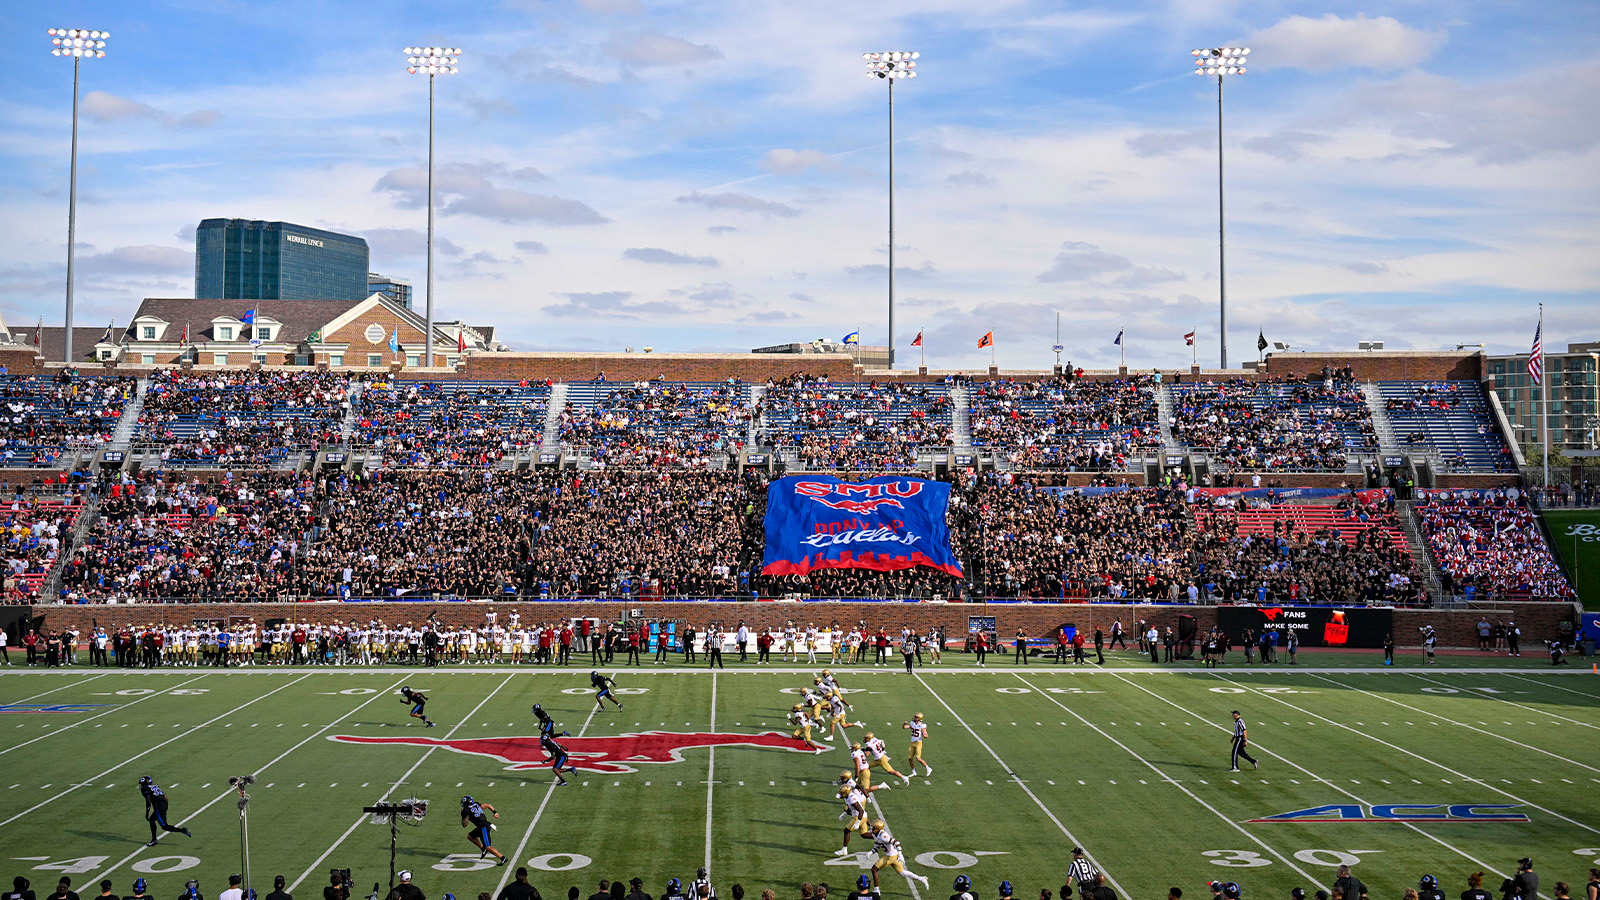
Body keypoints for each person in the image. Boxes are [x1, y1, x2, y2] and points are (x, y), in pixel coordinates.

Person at [866, 819, 929, 889]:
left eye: (874, 827)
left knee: (874, 869)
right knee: (903, 872)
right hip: (892, 855)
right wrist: (871, 852)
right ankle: (921, 878)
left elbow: (896, 842)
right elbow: (877, 845)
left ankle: (876, 890)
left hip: (890, 856)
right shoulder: (876, 834)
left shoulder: (883, 835)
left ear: (878, 828)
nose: (872, 828)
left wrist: (900, 854)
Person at [139, 775, 193, 846]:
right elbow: (165, 796)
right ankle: (154, 839)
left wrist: (147, 813)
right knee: (152, 820)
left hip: (159, 807)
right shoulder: (155, 786)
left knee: (164, 826)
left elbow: (148, 802)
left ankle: (182, 830)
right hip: (164, 804)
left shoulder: (145, 789)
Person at [459, 795, 506, 865]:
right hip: (483, 825)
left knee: (488, 847)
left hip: (483, 827)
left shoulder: (466, 810)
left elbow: (464, 825)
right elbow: (487, 805)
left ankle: (502, 858)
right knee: (470, 836)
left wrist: (466, 817)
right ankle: (482, 848)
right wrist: (495, 812)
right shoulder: (476, 804)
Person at [903, 712, 933, 778]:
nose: (914, 718)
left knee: (918, 758)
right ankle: (914, 772)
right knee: (910, 758)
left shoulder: (922, 726)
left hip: (918, 743)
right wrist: (904, 724)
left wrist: (924, 735)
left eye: (916, 717)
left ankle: (928, 768)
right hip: (912, 742)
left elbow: (926, 735)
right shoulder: (912, 723)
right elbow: (905, 727)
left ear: (919, 718)